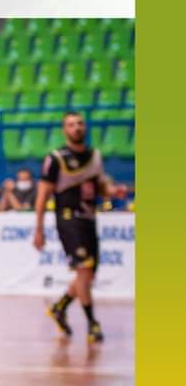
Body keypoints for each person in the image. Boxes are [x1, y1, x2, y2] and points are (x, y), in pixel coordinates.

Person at [35, 111, 127, 343]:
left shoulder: (94, 156)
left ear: (85, 127)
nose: (76, 128)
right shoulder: (56, 158)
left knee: (87, 276)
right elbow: (43, 194)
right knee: (84, 270)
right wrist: (38, 229)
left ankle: (59, 307)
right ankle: (92, 323)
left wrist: (113, 191)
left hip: (89, 218)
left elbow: (101, 186)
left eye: (79, 124)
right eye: (71, 125)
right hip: (68, 219)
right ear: (64, 130)